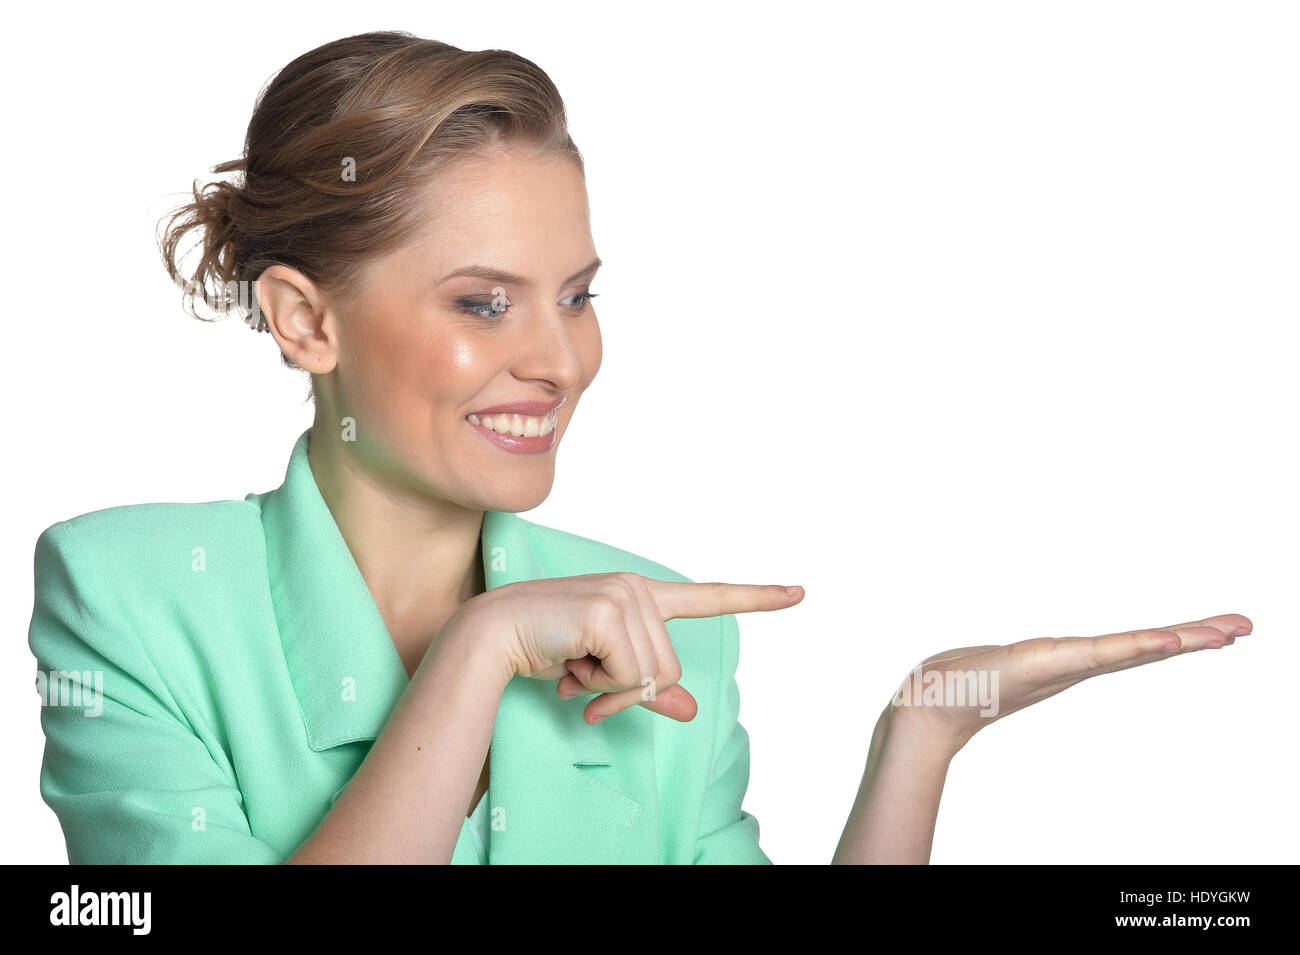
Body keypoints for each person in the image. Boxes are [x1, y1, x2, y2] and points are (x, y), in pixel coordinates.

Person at [28, 30, 1250, 865]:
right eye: (482, 302)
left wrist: (921, 729)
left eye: (578, 294)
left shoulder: (672, 631)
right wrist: (476, 653)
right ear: (307, 319)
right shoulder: (126, 596)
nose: (559, 359)